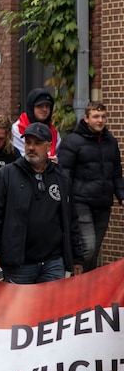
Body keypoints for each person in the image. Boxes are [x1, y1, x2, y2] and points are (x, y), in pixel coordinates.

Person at [0, 123, 81, 283]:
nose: (31, 147)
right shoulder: (7, 174)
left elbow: (71, 219)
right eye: (28, 142)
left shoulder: (61, 177)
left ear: (48, 146)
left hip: (53, 262)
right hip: (19, 264)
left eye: (37, 143)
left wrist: (76, 258)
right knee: (19, 308)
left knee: (51, 307)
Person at [58, 102, 124, 272]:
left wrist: (121, 195)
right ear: (86, 118)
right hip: (81, 202)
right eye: (96, 116)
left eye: (103, 117)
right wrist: (64, 199)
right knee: (88, 247)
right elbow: (64, 173)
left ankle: (88, 287)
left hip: (103, 202)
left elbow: (116, 171)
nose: (100, 120)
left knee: (95, 251)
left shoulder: (111, 142)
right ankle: (75, 278)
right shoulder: (72, 141)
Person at [12, 88, 61, 159]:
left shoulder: (54, 133)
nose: (44, 109)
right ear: (31, 107)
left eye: (47, 106)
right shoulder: (17, 129)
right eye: (40, 106)